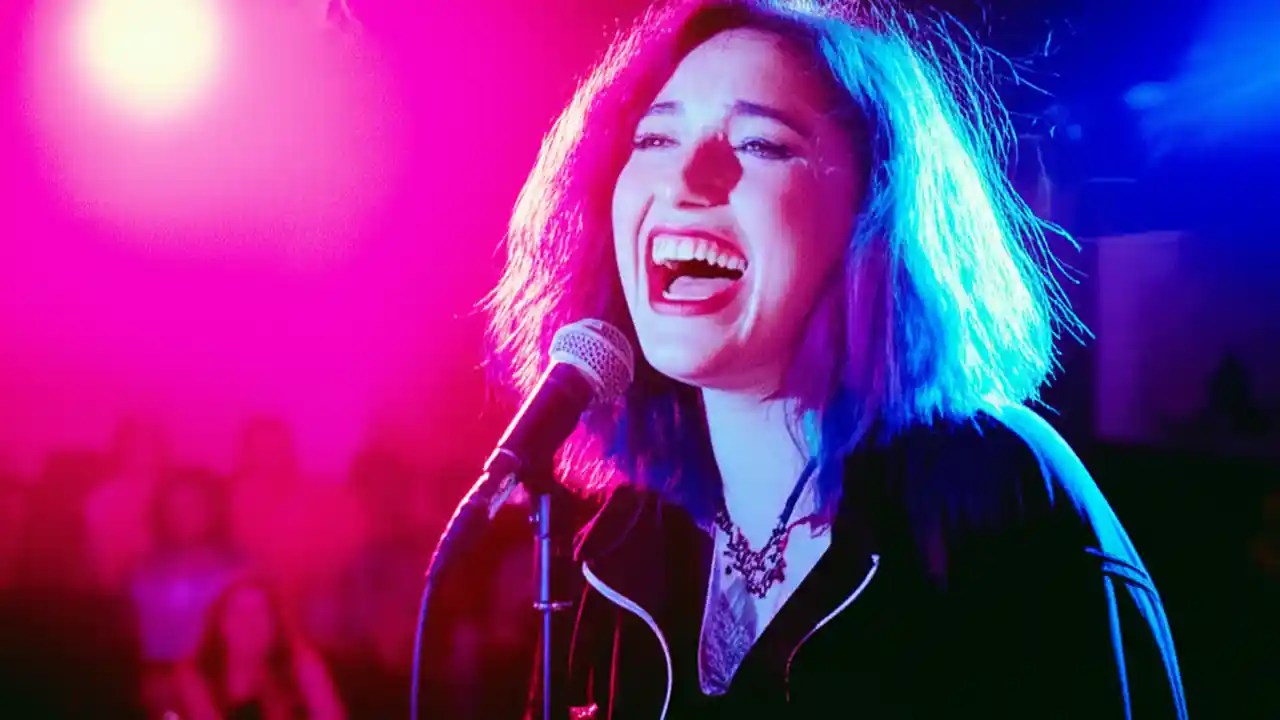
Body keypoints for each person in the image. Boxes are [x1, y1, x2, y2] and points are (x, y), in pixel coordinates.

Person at [484, 1, 1187, 717]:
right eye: (655, 138)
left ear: (873, 213)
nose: (685, 180)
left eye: (760, 145)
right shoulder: (624, 546)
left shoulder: (997, 495)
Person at [175, 577, 346, 720]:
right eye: (239, 615)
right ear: (221, 625)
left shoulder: (299, 665)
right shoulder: (198, 674)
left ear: (275, 625)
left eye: (260, 615)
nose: (250, 625)